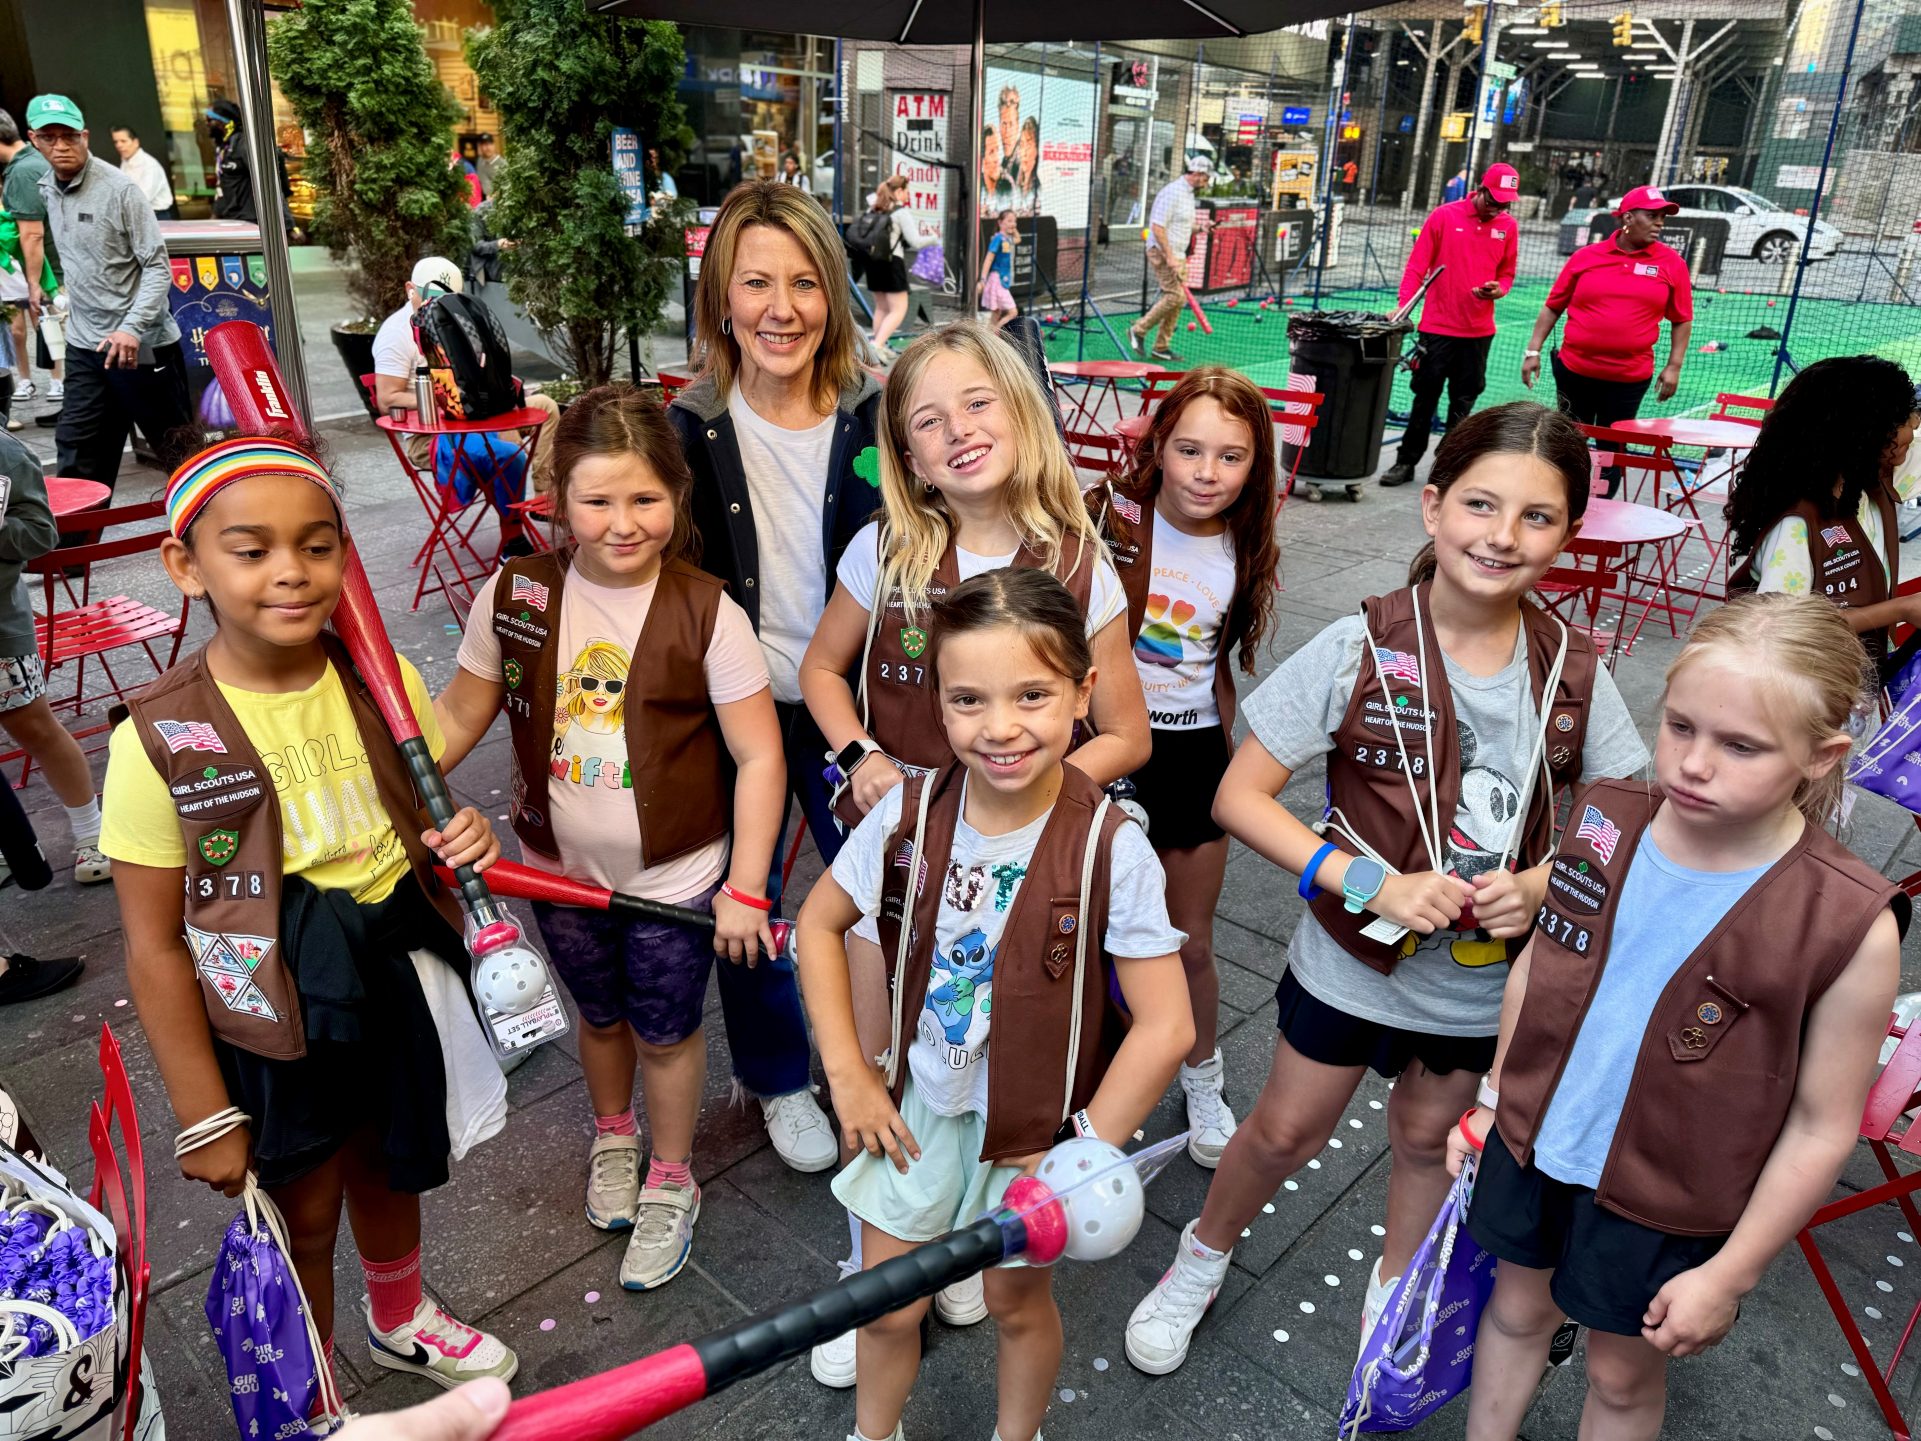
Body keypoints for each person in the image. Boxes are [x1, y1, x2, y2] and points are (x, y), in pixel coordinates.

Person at [1123, 401, 1648, 1376]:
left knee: (1421, 1141)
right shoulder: (1360, 645)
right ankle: (1201, 1255)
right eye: (1480, 505)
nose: (1501, 535)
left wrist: (1541, 881)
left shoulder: (1575, 671)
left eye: (1536, 516)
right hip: (1348, 966)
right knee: (1282, 1127)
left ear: (1567, 533)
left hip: (1474, 988)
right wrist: (1368, 879)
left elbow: (1629, 809)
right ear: (1433, 508)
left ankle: (1390, 1295)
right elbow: (1240, 794)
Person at [100, 435, 520, 1398]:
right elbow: (154, 942)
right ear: (186, 565)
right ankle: (309, 1377)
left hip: (390, 965)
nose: (291, 572)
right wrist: (203, 1112)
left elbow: (415, 819)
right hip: (274, 1002)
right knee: (307, 1200)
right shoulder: (160, 738)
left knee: (395, 1157)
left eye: (318, 545)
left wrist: (455, 840)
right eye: (251, 550)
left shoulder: (376, 684)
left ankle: (401, 1314)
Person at [1451, 592, 1905, 1440]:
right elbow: (1539, 975)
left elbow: (1819, 1126)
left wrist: (1729, 1274)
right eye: (1681, 725)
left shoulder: (1846, 921)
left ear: (1821, 754)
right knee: (1515, 1310)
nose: (1693, 763)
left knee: (1621, 1373)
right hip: (1537, 1141)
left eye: (1739, 746)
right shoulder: (1602, 818)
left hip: (1666, 1197)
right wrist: (1488, 1102)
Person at [797, 321, 1153, 1388]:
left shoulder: (1082, 565)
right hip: (899, 865)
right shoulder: (887, 550)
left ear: (1020, 409)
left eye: (978, 403)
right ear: (904, 454)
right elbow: (821, 669)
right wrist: (861, 752)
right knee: (878, 1064)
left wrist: (1054, 799)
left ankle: (967, 1241)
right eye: (927, 419)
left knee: (1002, 1053)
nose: (958, 431)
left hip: (1017, 868)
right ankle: (876, 1263)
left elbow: (1128, 729)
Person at [798, 566, 1192, 1441]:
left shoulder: (1110, 845)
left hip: (1034, 1134)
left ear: (1083, 691)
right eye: (969, 699)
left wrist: (1080, 1157)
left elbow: (1168, 1024)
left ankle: (1018, 1435)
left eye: (1032, 695)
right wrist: (850, 1076)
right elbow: (818, 926)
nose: (1001, 726)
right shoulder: (904, 812)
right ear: (936, 701)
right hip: (917, 1113)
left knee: (1017, 1304)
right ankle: (874, 1434)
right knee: (887, 1308)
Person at [435, 386, 785, 1292]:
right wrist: (387, 772)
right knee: (599, 1017)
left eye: (644, 499)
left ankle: (672, 1171)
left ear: (676, 495)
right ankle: (614, 1132)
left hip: (674, 879)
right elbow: (457, 715)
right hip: (556, 876)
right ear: (554, 498)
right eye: (596, 500)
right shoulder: (514, 595)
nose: (621, 522)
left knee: (666, 1031)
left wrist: (745, 884)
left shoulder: (709, 612)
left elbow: (758, 756)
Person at [668, 178, 872, 1173]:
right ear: (720, 297)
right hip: (732, 705)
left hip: (853, 701)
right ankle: (779, 1075)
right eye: (756, 283)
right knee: (736, 891)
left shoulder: (880, 417)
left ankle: (873, 1058)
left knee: (881, 881)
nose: (780, 308)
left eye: (803, 282)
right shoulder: (689, 424)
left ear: (833, 294)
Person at [1094, 366, 1280, 1169]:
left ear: (1254, 465)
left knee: (1189, 939)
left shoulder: (1246, 540)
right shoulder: (1108, 519)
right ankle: (1091, 1068)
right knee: (1093, 925)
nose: (1207, 472)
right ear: (1158, 447)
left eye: (1230, 456)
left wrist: (1226, 755)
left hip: (1195, 749)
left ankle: (1200, 1073)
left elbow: (1218, 660)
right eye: (1190, 449)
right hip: (1110, 746)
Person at [25, 95, 190, 494]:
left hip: (143, 347)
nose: (60, 146)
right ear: (34, 140)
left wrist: (132, 328)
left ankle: (215, 542)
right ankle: (72, 556)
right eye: (49, 137)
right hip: (86, 347)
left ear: (85, 136)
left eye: (69, 136)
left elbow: (157, 267)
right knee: (78, 458)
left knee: (182, 457)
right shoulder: (47, 188)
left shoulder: (120, 190)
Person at [1724, 356, 1921, 671]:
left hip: (1858, 685)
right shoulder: (1796, 526)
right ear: (1860, 434)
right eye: (1900, 420)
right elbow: (1779, 630)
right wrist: (1901, 609)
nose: (1912, 430)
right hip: (1812, 696)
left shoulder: (1874, 480)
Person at [370, 255, 561, 546]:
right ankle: (513, 532)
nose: (440, 304)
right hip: (433, 434)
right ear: (411, 289)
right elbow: (387, 399)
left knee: (546, 406)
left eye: (449, 298)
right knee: (506, 447)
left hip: (476, 415)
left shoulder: (454, 319)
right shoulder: (396, 334)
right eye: (433, 296)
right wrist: (443, 400)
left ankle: (542, 497)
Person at [1522, 185, 1693, 496]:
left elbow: (1681, 319)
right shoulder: (1587, 257)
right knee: (1568, 440)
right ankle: (1559, 502)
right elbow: (1553, 306)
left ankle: (1602, 511)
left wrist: (1674, 366)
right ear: (1627, 217)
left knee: (1612, 446)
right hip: (1575, 370)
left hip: (1628, 379)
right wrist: (1533, 349)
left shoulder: (1672, 264)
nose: (1660, 223)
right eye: (1652, 215)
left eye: (1662, 217)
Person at [0, 430, 111, 886]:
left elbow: (41, 532)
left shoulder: (6, 450)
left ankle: (92, 834)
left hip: (1, 629)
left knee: (35, 726)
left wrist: (2, 528)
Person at [1380, 163, 1521, 489]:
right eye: (1494, 200)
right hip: (1438, 328)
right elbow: (1417, 265)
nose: (1498, 208)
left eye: (1504, 203)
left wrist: (1499, 288)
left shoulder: (1508, 226)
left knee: (1464, 401)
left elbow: (1507, 272)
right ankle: (1405, 461)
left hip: (1479, 331)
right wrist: (1405, 307)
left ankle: (1448, 466)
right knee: (1424, 397)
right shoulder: (1445, 216)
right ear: (1480, 188)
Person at [0, 107, 63, 407]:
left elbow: (32, 234)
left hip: (53, 273)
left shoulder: (23, 171)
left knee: (52, 329)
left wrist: (34, 284)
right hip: (58, 269)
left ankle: (59, 384)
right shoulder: (35, 162)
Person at [1128, 155, 1213, 365]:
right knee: (1175, 296)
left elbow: (1181, 225)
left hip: (1177, 253)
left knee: (1179, 299)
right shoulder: (1172, 192)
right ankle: (1138, 329)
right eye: (1206, 177)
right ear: (1198, 174)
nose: (1207, 181)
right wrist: (1170, 258)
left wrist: (1201, 228)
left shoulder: (1188, 194)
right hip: (1163, 252)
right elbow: (1157, 228)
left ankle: (1161, 347)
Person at [864, 177, 932, 355]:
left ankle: (878, 344)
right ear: (899, 191)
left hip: (872, 262)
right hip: (892, 263)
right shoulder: (901, 212)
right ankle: (877, 345)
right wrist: (934, 238)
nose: (908, 194)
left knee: (882, 307)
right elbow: (915, 242)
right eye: (906, 190)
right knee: (899, 309)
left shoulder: (873, 207)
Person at [205, 99, 288, 226]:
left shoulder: (244, 145)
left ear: (224, 122)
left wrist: (288, 224)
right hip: (232, 220)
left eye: (210, 120)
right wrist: (215, 217)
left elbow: (269, 182)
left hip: (251, 223)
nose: (206, 124)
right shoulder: (223, 147)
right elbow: (224, 185)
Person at [111, 126, 175, 219]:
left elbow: (142, 198)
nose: (119, 145)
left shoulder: (149, 165)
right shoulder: (126, 161)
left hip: (157, 216)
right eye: (116, 142)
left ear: (136, 142)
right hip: (137, 215)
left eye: (123, 141)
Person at [977, 210, 1020, 330]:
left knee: (996, 312)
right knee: (1013, 312)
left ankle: (988, 337)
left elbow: (1018, 239)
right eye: (1009, 221)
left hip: (1002, 279)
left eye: (1015, 221)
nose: (1013, 223)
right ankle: (996, 334)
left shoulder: (1007, 239)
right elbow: (988, 259)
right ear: (1000, 223)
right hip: (997, 279)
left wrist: (1012, 227)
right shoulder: (998, 239)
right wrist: (983, 279)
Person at [978, 126, 1014, 218]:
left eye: (998, 150)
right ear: (981, 160)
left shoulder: (1007, 185)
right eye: (991, 152)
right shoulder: (976, 187)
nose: (997, 159)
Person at [475, 134, 500, 199]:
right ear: (480, 146)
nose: (488, 147)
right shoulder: (479, 161)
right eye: (485, 145)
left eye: (490, 144)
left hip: (497, 200)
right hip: (482, 200)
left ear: (494, 145)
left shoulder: (502, 163)